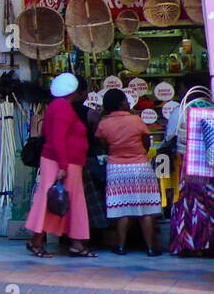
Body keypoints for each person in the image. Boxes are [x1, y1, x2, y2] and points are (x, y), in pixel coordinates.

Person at [25, 72, 95, 258]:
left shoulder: (56, 106)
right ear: (73, 91)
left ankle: (75, 242)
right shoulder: (63, 107)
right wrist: (63, 166)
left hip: (64, 161)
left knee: (64, 201)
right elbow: (57, 138)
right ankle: (37, 241)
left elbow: (48, 133)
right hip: (63, 162)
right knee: (54, 201)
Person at [95, 88, 163, 256]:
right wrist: (140, 153)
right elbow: (146, 142)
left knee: (122, 210)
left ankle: (120, 246)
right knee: (146, 210)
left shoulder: (103, 124)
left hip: (116, 168)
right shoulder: (136, 120)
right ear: (121, 103)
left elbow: (104, 145)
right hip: (140, 166)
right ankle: (150, 247)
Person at [73, 75, 110, 245]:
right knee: (90, 202)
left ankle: (74, 238)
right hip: (87, 160)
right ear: (83, 93)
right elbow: (97, 137)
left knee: (74, 202)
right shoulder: (90, 113)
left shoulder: (58, 109)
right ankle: (88, 238)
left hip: (67, 161)